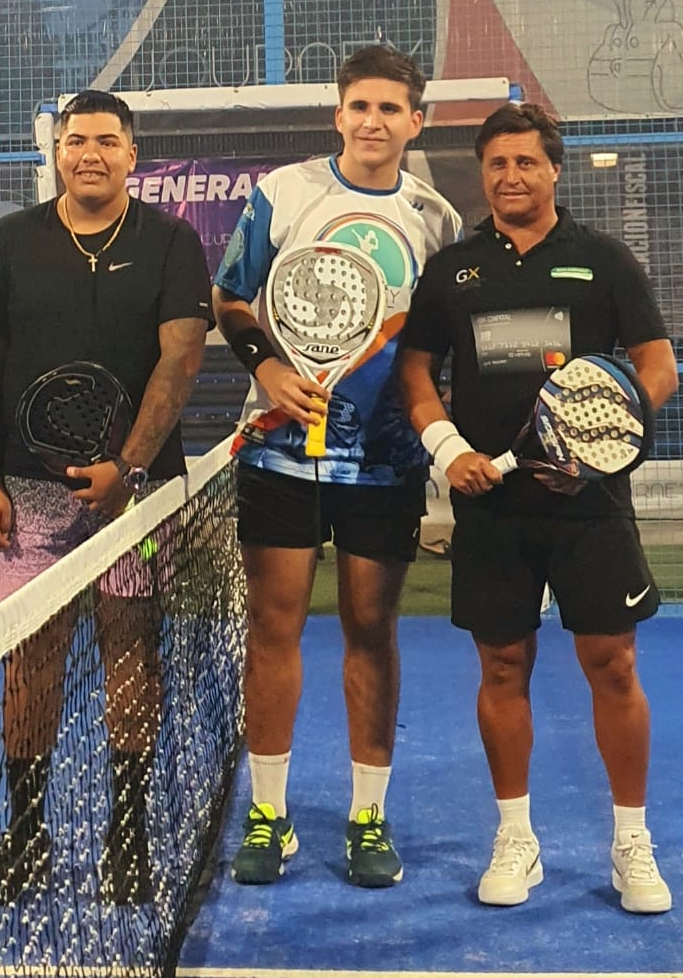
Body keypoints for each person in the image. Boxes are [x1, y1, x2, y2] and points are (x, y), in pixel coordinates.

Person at [398, 102, 680, 913]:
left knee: (613, 665)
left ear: (555, 169)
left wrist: (602, 439)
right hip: (492, 509)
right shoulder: (453, 271)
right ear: (482, 174)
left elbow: (656, 367)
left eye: (527, 162)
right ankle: (516, 836)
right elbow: (416, 372)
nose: (512, 176)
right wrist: (451, 451)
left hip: (590, 505)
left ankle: (631, 841)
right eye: (497, 164)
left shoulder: (604, 260)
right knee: (501, 666)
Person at [212, 45, 463, 889]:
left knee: (371, 630)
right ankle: (269, 813)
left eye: (392, 109)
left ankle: (366, 816)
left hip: (384, 463)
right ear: (339, 114)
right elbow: (231, 296)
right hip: (280, 449)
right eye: (361, 106)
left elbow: (431, 344)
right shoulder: (285, 193)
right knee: (273, 628)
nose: (374, 121)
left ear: (415, 122)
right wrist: (264, 366)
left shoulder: (437, 218)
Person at [0, 89, 212, 905]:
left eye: (107, 139)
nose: (90, 153)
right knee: (32, 661)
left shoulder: (172, 241)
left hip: (135, 500)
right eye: (75, 141)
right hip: (28, 494)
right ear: (57, 154)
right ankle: (27, 835)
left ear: (133, 155)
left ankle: (127, 835)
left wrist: (129, 469)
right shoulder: (10, 241)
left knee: (130, 652)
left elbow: (180, 362)